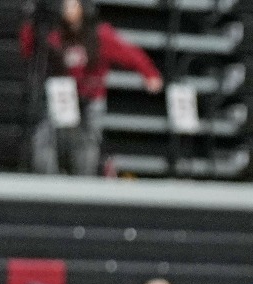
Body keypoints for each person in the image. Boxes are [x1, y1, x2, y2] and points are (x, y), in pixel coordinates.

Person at [23, 0, 161, 176]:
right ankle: (51, 182)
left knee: (87, 144)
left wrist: (149, 72)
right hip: (63, 98)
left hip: (91, 98)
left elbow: (129, 52)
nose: (67, 10)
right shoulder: (54, 35)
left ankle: (84, 182)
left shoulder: (99, 35)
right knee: (45, 138)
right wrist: (29, 24)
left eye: (72, 5)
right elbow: (29, 51)